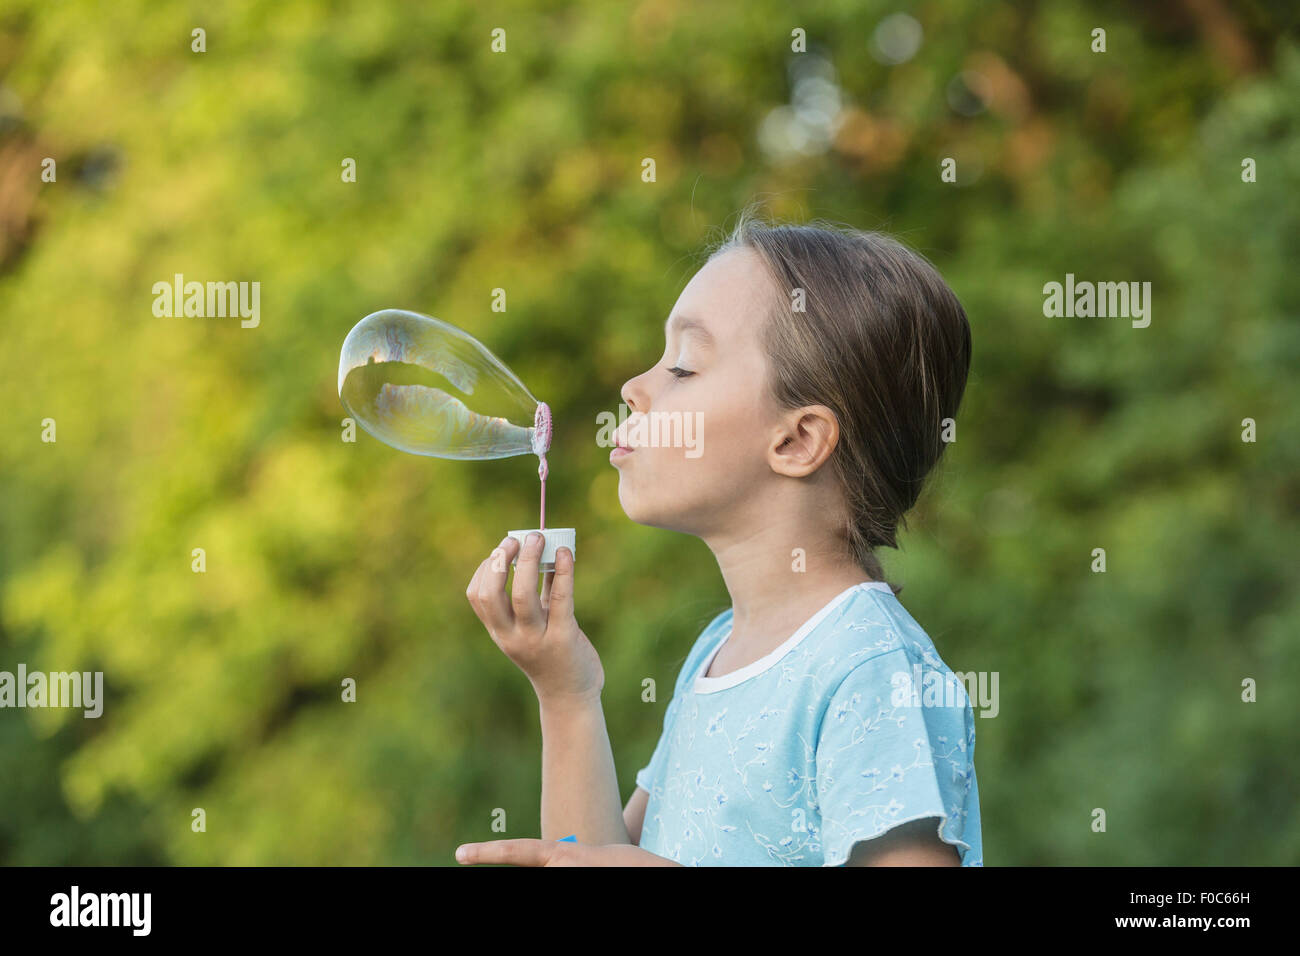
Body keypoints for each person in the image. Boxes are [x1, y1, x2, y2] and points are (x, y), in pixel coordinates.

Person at [459, 209, 981, 867]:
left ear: (797, 440)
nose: (632, 388)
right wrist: (566, 694)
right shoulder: (719, 654)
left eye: (683, 366)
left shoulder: (871, 669)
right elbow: (591, 859)